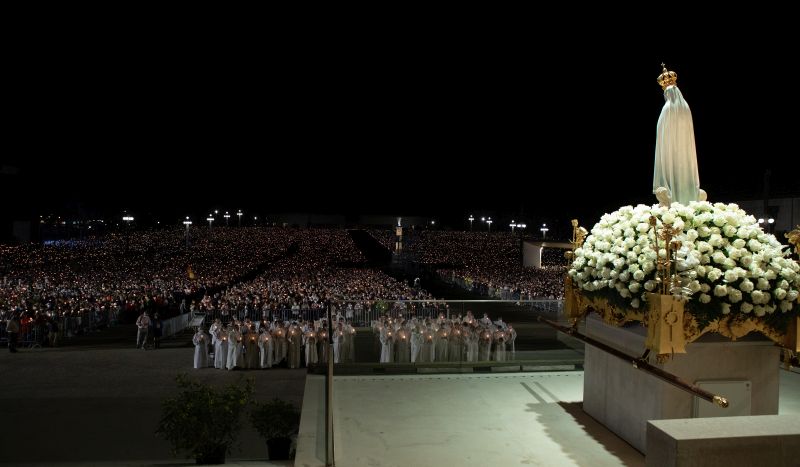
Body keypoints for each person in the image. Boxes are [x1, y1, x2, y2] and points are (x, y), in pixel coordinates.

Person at [653, 64, 707, 206]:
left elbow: (662, 133)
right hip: (685, 153)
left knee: (673, 170)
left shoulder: (667, 108)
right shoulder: (685, 107)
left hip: (672, 150)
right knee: (684, 170)